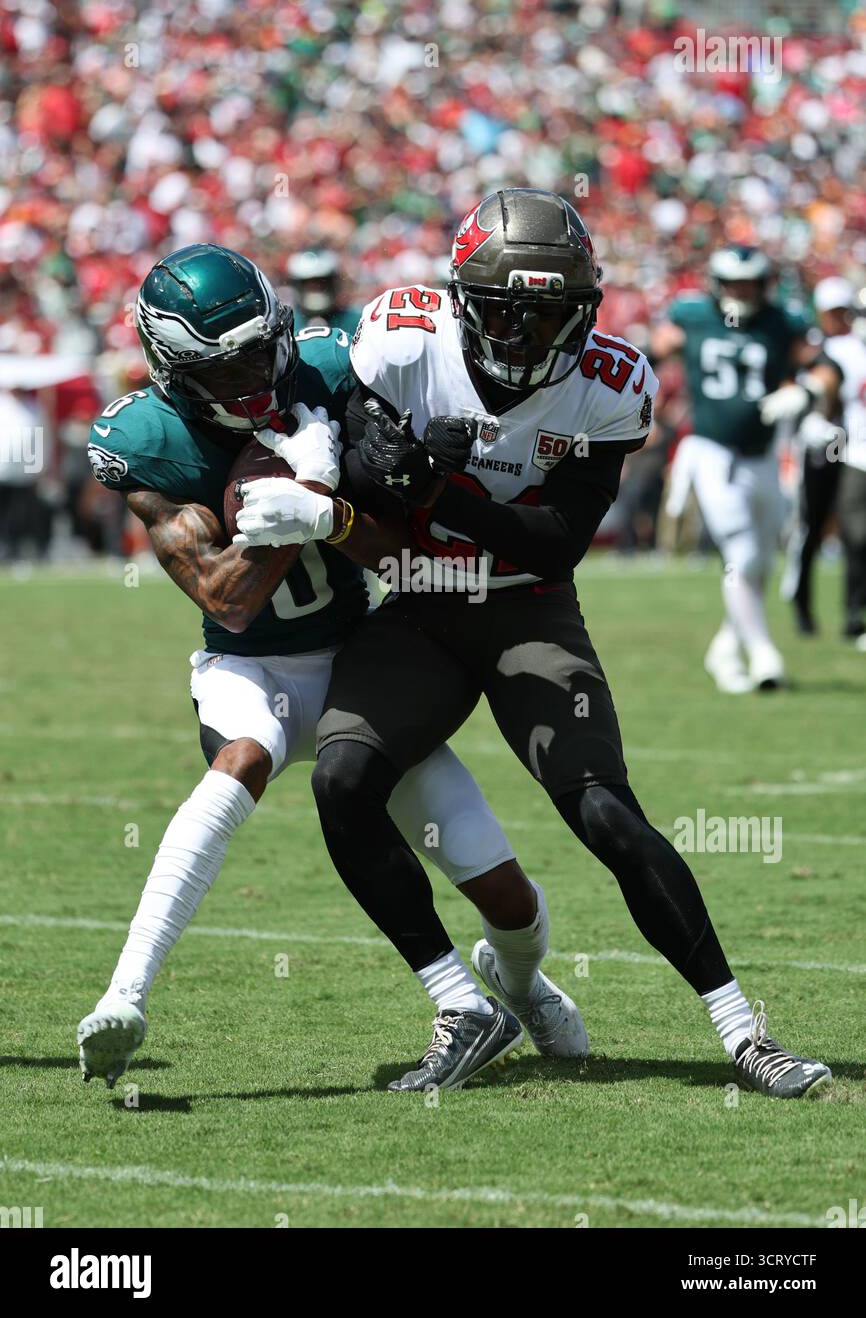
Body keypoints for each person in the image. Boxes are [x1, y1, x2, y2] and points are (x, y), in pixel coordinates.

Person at [241, 189, 831, 1098]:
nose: (526, 334)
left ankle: (744, 1033)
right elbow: (358, 468)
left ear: (583, 309)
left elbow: (556, 540)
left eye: (550, 312)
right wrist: (388, 467)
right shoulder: (402, 335)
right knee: (342, 779)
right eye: (509, 312)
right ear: (465, 301)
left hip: (528, 605)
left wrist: (441, 487)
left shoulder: (612, 378)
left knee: (603, 811)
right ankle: (459, 1003)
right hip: (422, 603)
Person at [76, 242, 585, 1091]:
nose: (251, 372)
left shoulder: (325, 367)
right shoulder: (147, 439)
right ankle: (125, 994)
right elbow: (224, 597)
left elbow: (390, 544)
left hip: (364, 657)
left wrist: (334, 505)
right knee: (239, 763)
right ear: (173, 366)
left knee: (505, 896)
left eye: (257, 345)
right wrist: (288, 505)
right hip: (253, 667)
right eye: (223, 361)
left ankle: (520, 982)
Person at [651, 246, 811, 692]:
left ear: (764, 285)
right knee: (741, 553)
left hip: (762, 456)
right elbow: (649, 353)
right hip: (712, 452)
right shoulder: (691, 315)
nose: (741, 291)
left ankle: (725, 648)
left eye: (749, 283)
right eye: (733, 283)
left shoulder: (783, 322)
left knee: (759, 563)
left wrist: (806, 392)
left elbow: (819, 366)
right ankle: (764, 656)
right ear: (717, 285)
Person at [779, 277, 866, 647]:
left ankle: (852, 611)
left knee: (854, 529)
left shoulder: (856, 345)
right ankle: (802, 603)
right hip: (816, 445)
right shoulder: (810, 345)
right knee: (810, 526)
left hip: (848, 446)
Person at [285, 250, 362, 338]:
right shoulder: (287, 324)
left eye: (321, 284)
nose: (315, 290)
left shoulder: (356, 321)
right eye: (309, 286)